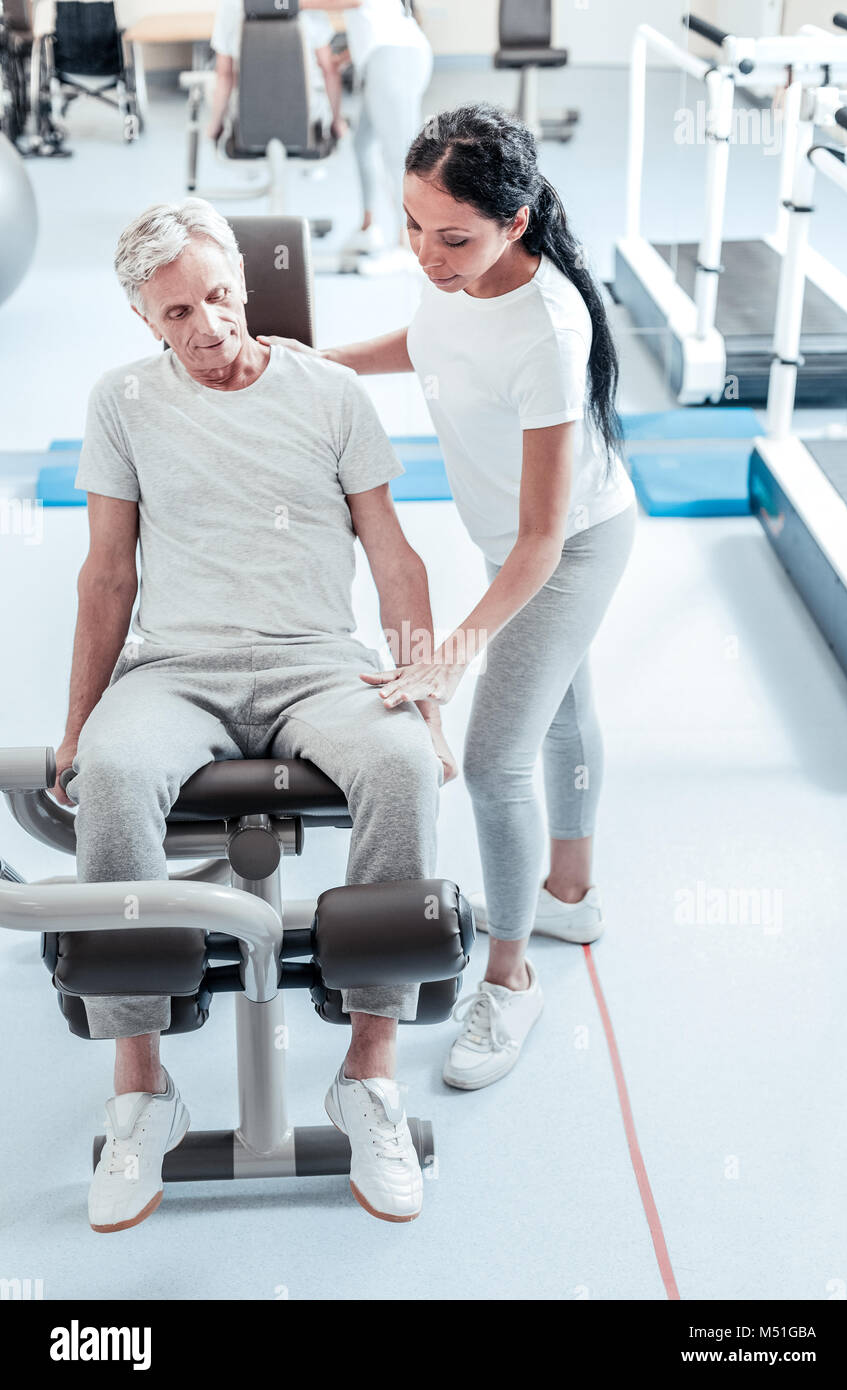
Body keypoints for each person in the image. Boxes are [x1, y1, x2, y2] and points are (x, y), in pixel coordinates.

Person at [54, 197, 457, 1231]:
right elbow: (107, 578)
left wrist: (421, 691)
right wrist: (76, 724)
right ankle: (140, 1085)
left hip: (317, 662)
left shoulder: (327, 392)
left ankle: (367, 1070)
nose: (207, 326)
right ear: (145, 318)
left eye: (219, 296)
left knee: (403, 766)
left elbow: (393, 556)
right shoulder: (122, 403)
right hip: (176, 667)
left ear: (244, 280)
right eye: (177, 311)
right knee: (110, 771)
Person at [260, 104, 638, 1091]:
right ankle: (571, 891)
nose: (426, 253)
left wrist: (452, 650)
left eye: (452, 237)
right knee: (564, 714)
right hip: (517, 543)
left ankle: (509, 980)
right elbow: (428, 341)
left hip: (567, 552)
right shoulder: (456, 273)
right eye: (412, 226)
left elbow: (543, 541)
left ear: (514, 225)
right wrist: (324, 360)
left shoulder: (547, 330)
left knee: (493, 757)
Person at [310, 0, 433, 265]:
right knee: (363, 144)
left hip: (393, 59)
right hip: (390, 57)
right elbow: (372, 22)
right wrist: (343, 58)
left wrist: (292, 5)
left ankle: (407, 243)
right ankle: (369, 227)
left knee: (398, 155)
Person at [208, 0, 345, 143]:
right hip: (307, 116)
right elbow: (330, 71)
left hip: (249, 117)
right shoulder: (308, 3)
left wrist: (215, 126)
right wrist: (337, 121)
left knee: (215, 85)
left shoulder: (230, 5)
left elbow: (224, 76)